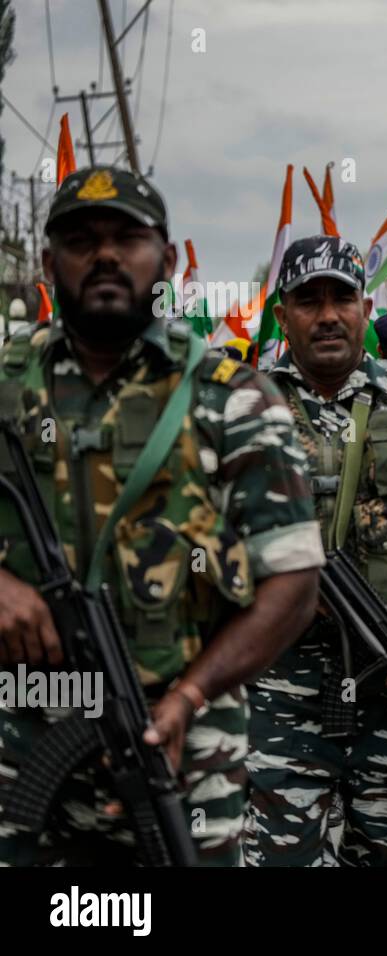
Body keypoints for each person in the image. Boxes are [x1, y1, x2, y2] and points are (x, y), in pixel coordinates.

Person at [0, 166, 322, 865]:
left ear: (168, 260)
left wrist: (189, 696)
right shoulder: (6, 385)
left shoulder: (231, 399)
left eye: (128, 238)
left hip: (181, 748)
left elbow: (293, 583)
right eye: (81, 241)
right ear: (50, 263)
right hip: (17, 744)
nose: (106, 255)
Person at [243, 240, 387, 867]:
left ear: (366, 307)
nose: (327, 314)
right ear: (282, 313)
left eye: (341, 298)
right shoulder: (242, 413)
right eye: (308, 299)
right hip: (279, 694)